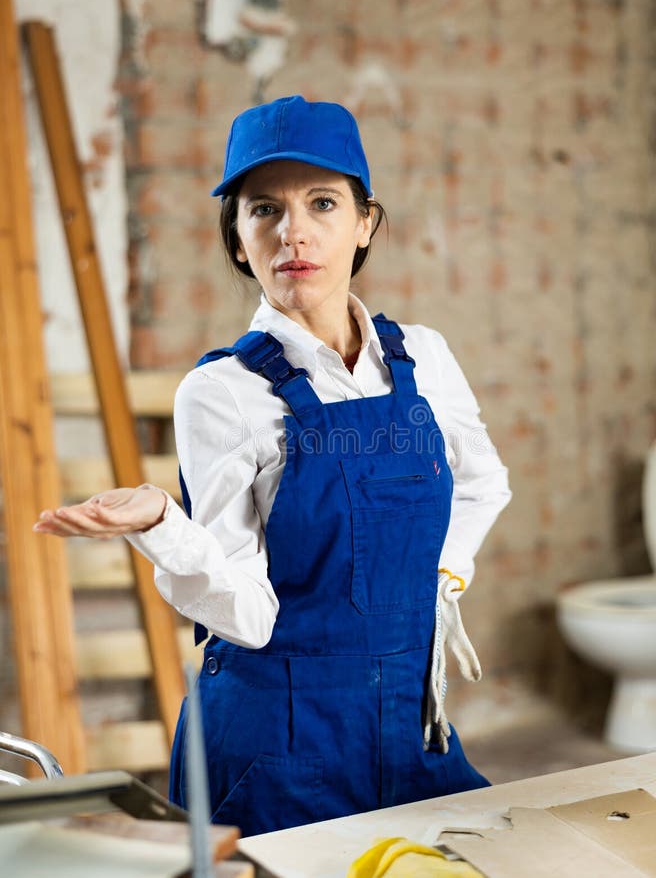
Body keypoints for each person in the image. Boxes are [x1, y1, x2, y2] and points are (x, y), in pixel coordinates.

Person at [34, 95, 512, 836]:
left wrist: (440, 582)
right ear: (237, 239)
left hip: (410, 724)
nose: (293, 232)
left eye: (322, 203)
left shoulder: (425, 359)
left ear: (364, 224)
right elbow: (249, 620)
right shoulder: (222, 393)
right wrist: (164, 523)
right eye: (263, 210)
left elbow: (484, 482)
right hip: (279, 747)